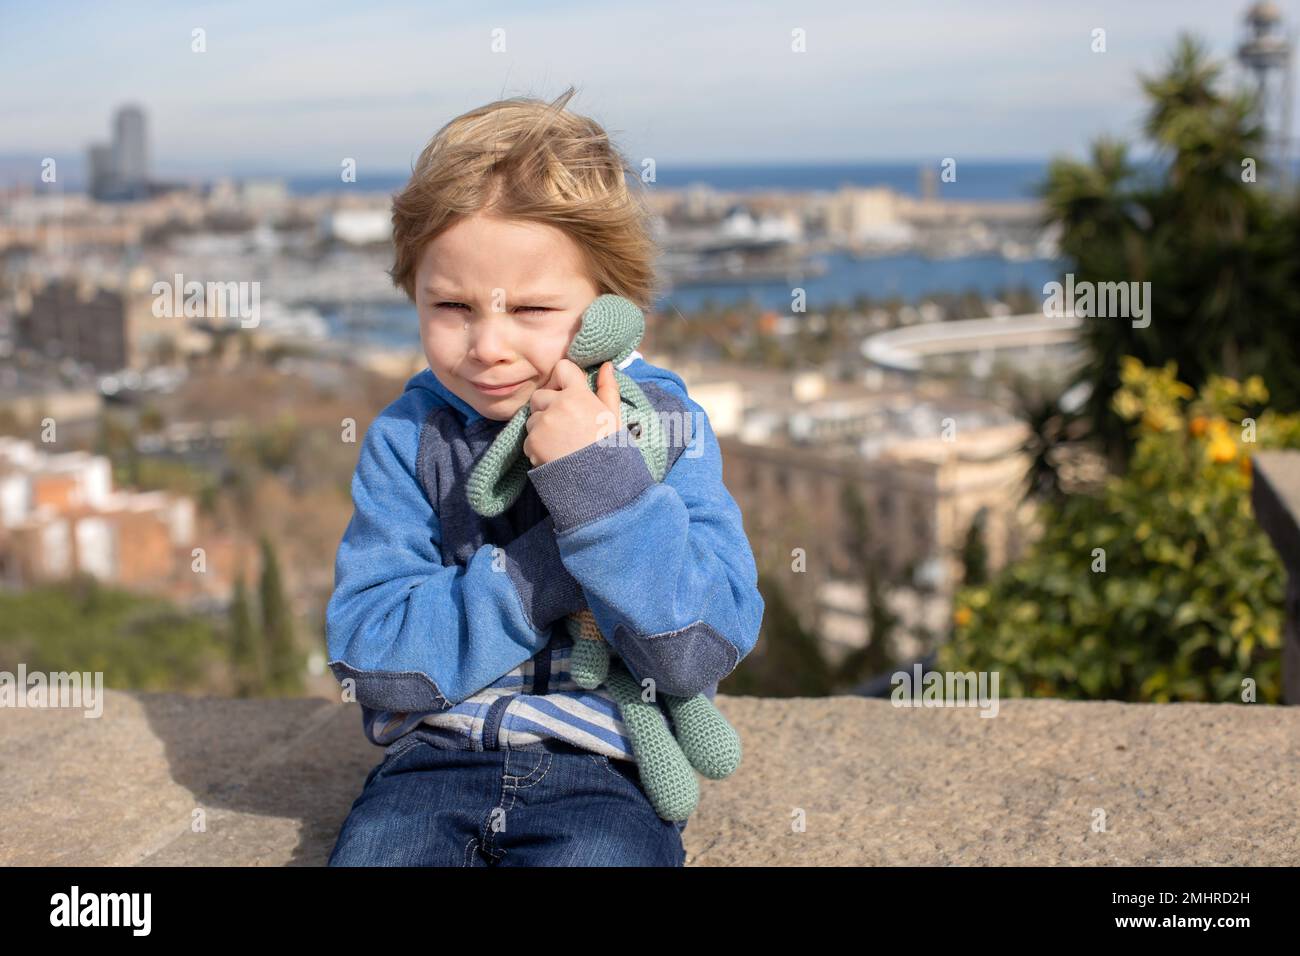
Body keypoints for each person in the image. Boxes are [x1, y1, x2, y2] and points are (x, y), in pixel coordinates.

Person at [325, 86, 764, 866]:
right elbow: (371, 655)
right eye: (451, 305)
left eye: (530, 310)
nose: (487, 345)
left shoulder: (663, 426)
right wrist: (547, 569)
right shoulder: (409, 436)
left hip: (606, 771)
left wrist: (604, 489)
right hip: (430, 765)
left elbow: (698, 646)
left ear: (609, 307)